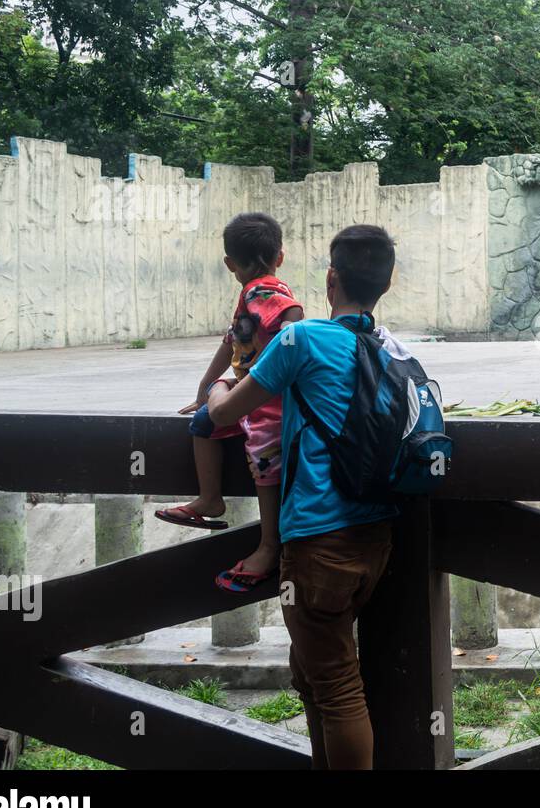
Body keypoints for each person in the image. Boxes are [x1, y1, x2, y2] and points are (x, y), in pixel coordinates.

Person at [205, 224, 400, 770]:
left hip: (316, 541)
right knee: (313, 671)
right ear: (386, 282)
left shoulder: (303, 339)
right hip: (377, 538)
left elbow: (226, 413)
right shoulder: (392, 350)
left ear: (331, 279)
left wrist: (215, 387)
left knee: (336, 684)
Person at [155, 213, 303, 591]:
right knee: (203, 422)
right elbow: (232, 344)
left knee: (265, 463)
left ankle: (270, 545)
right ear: (280, 255)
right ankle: (209, 499)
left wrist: (290, 334)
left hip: (269, 401)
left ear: (229, 264)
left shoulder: (264, 292)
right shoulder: (249, 298)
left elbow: (290, 313)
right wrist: (206, 388)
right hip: (245, 396)